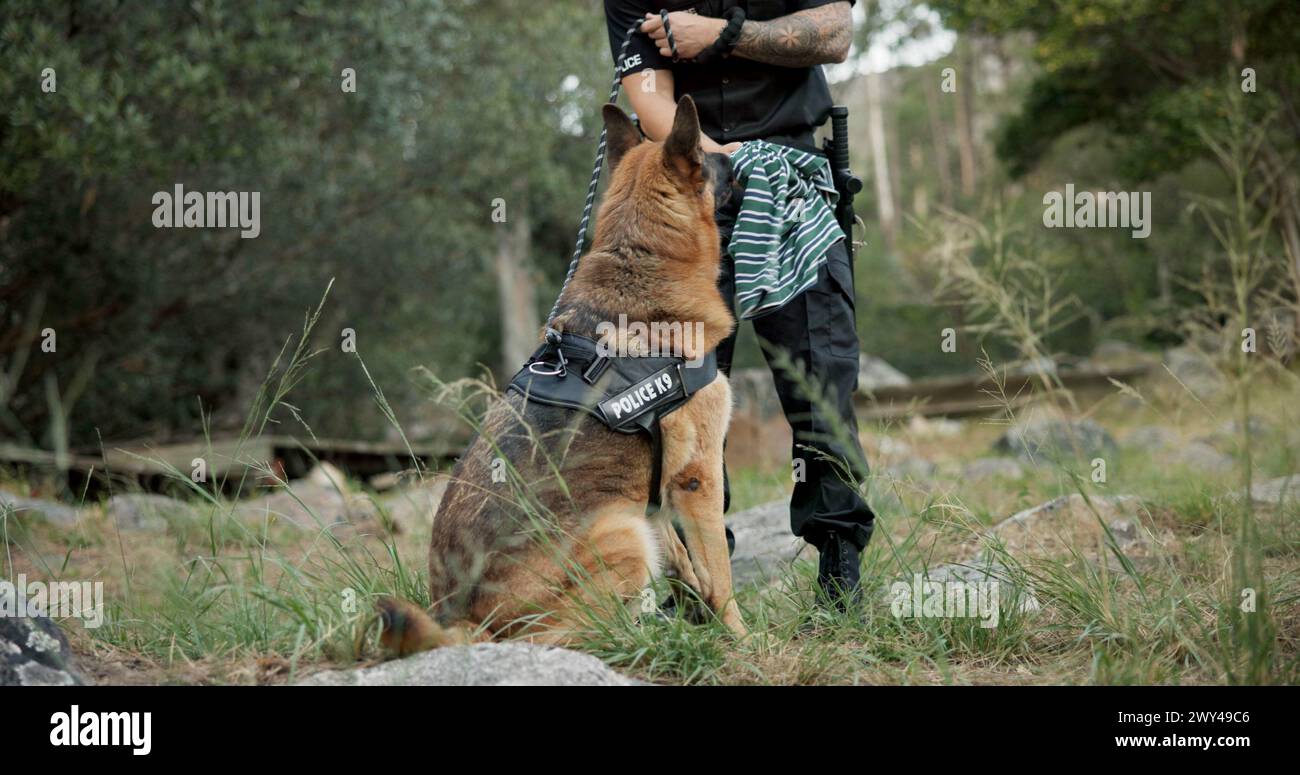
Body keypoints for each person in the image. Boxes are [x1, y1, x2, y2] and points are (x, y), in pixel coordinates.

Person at [602, 0, 876, 609]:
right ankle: (693, 592)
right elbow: (648, 93)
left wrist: (720, 36)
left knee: (820, 379)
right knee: (677, 395)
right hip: (692, 186)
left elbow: (832, 36)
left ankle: (841, 580)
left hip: (797, 182)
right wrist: (719, 163)